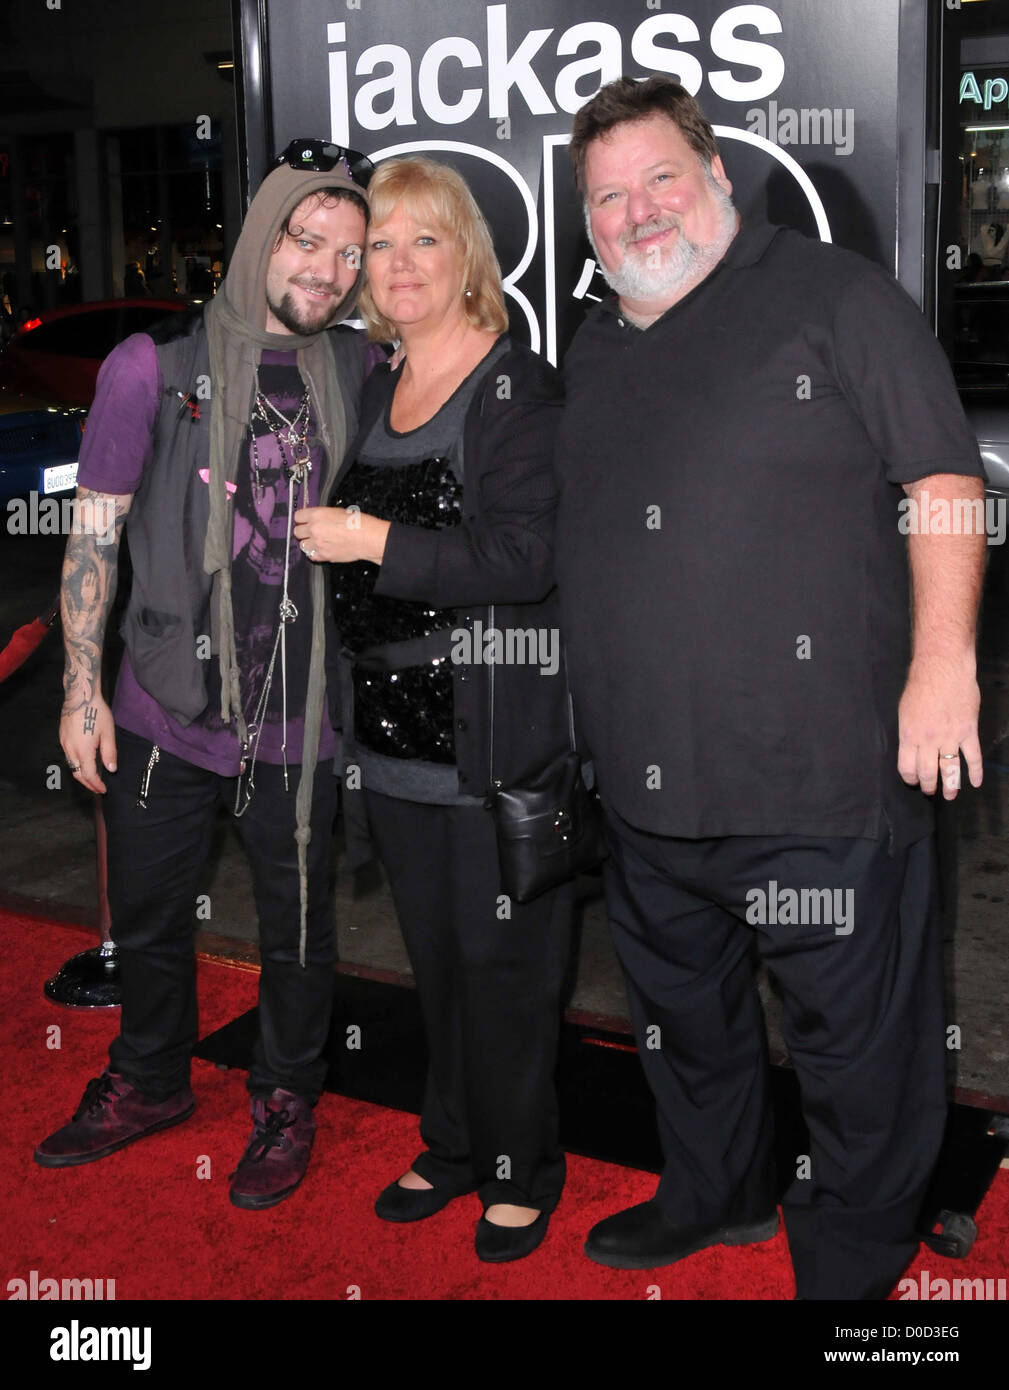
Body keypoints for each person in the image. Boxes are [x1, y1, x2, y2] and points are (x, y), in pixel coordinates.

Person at [553, 76, 987, 1300]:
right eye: (607, 197)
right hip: (645, 795)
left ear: (718, 179)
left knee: (858, 1049)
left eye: (659, 180)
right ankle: (717, 1190)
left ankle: (849, 1261)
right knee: (685, 1027)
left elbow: (945, 479)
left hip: (823, 784)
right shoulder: (594, 347)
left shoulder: (835, 299)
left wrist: (942, 666)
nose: (638, 213)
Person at [35, 139, 372, 1211]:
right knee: (146, 915)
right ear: (261, 235)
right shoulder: (151, 366)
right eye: (305, 239)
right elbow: (95, 536)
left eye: (348, 252)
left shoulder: (365, 371)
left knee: (301, 929)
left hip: (302, 713)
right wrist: (80, 687)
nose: (325, 268)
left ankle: (285, 1094)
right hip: (162, 705)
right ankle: (149, 1080)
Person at [293, 155, 574, 1262]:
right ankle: (454, 1146)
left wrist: (372, 540)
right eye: (384, 245)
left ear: (467, 257)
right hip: (390, 738)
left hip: (489, 733)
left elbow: (528, 555)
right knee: (440, 965)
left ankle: (520, 1167)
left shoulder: (515, 386)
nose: (400, 264)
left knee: (506, 970)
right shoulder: (377, 381)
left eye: (425, 240)